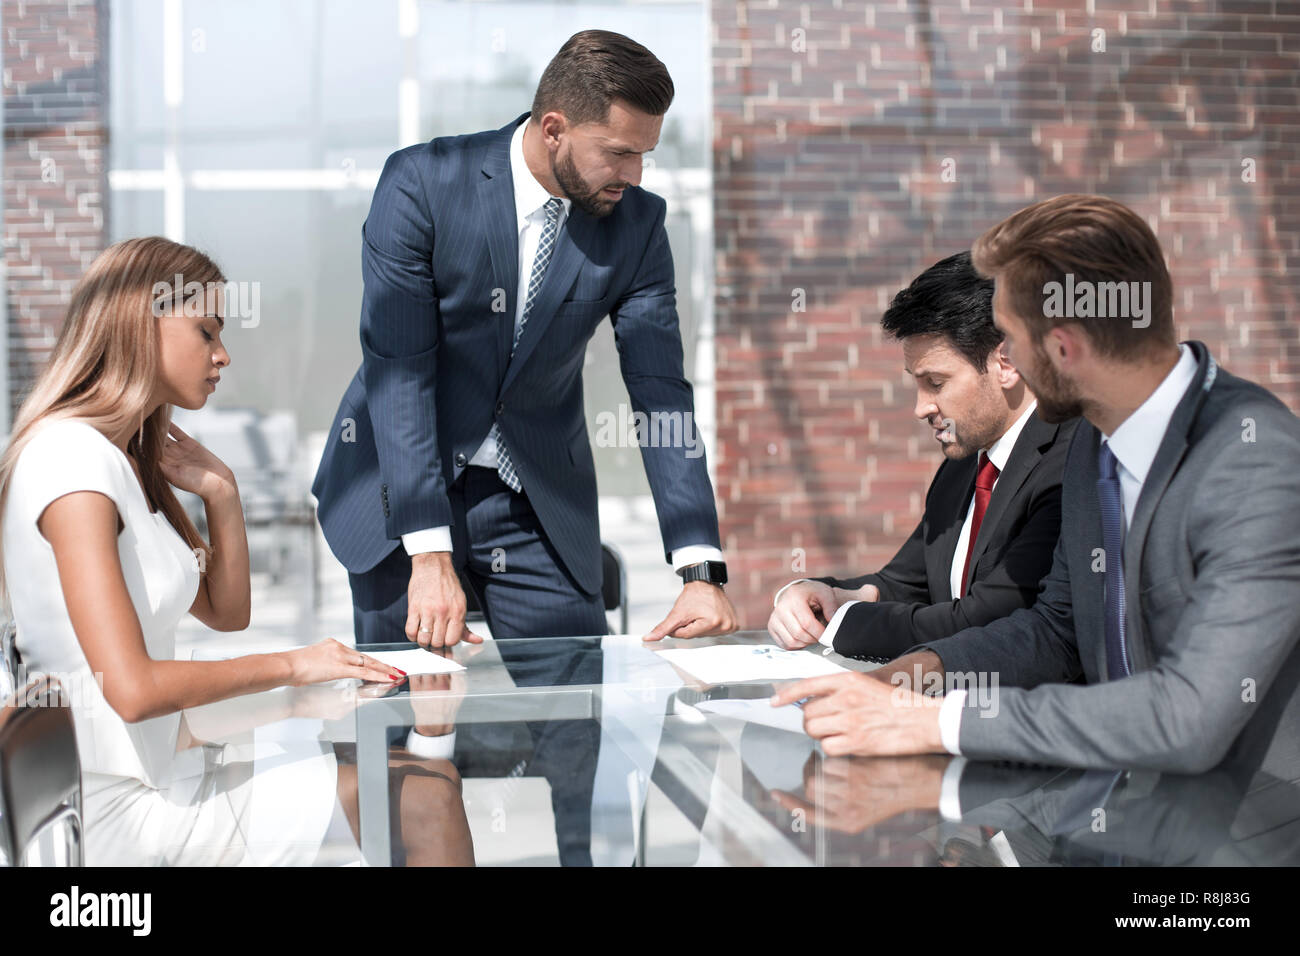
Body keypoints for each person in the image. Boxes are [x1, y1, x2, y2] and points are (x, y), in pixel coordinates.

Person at [773, 194, 1300, 775]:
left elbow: (1188, 718)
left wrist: (932, 721)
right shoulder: (1096, 440)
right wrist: (898, 680)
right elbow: (1056, 630)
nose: (1009, 364)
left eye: (1011, 339)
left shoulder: (1255, 460)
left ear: (1063, 347)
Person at [0, 237, 473, 866]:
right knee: (425, 796)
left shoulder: (114, 462)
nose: (222, 355)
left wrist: (222, 493)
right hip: (115, 809)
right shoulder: (71, 462)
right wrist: (295, 667)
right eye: (206, 331)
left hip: (164, 767)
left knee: (420, 783)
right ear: (143, 320)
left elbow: (227, 611)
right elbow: (133, 689)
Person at [312, 29, 737, 668]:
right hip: (398, 491)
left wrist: (699, 566)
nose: (635, 175)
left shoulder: (638, 226)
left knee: (574, 726)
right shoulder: (423, 184)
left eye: (645, 154)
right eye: (619, 153)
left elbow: (660, 393)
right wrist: (427, 553)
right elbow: (400, 372)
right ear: (554, 128)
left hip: (535, 500)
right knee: (401, 730)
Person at [768, 252, 1077, 660]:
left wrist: (839, 623)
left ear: (1008, 362)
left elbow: (986, 620)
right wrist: (821, 595)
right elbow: (907, 583)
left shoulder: (1070, 461)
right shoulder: (965, 461)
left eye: (936, 382)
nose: (921, 407)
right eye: (918, 383)